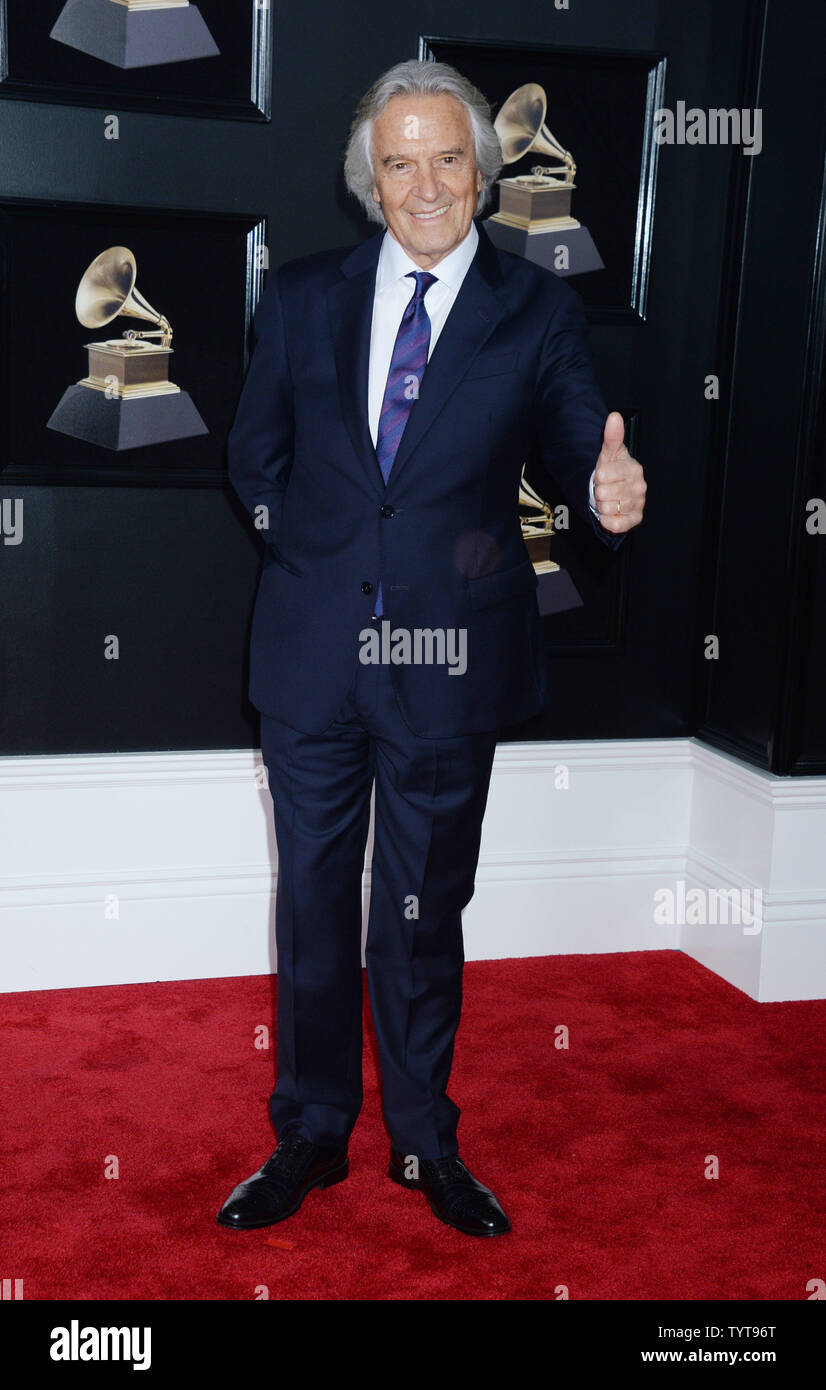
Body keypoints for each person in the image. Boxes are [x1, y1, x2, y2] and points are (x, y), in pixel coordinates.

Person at [217, 59, 647, 1238]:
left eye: (445, 156)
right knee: (310, 899)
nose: (424, 183)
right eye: (397, 161)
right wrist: (309, 556)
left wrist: (600, 490)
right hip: (310, 656)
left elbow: (572, 446)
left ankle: (422, 1142)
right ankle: (310, 1132)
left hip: (449, 662)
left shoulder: (538, 309)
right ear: (370, 180)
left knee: (418, 907)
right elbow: (253, 459)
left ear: (481, 171)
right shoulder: (302, 296)